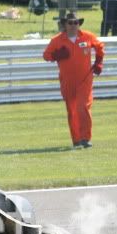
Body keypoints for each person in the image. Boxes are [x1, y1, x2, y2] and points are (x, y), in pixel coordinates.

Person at [43, 11, 105, 148]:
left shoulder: (88, 36)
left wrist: (98, 62)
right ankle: (76, 140)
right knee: (72, 110)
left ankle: (86, 138)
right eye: (70, 23)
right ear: (65, 24)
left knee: (84, 107)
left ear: (79, 24)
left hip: (85, 79)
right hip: (67, 80)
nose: (73, 25)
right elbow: (46, 55)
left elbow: (100, 47)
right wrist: (57, 55)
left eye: (76, 23)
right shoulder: (57, 40)